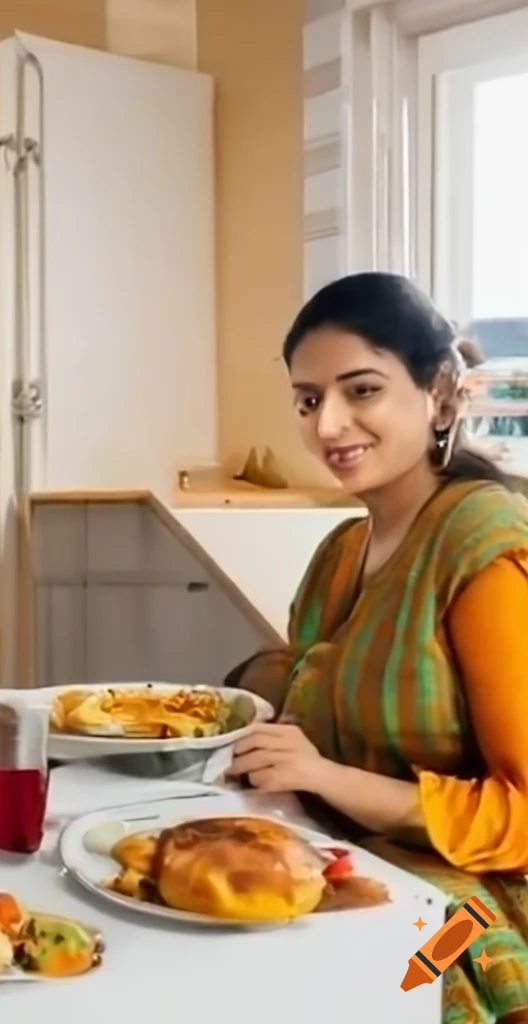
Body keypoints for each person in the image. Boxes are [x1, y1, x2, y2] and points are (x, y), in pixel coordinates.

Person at [226, 272, 528, 1024]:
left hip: (474, 903)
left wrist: (327, 778)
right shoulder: (339, 552)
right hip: (346, 858)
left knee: (361, 977)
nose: (329, 424)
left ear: (441, 395)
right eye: (307, 399)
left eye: (361, 391)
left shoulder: (482, 547)